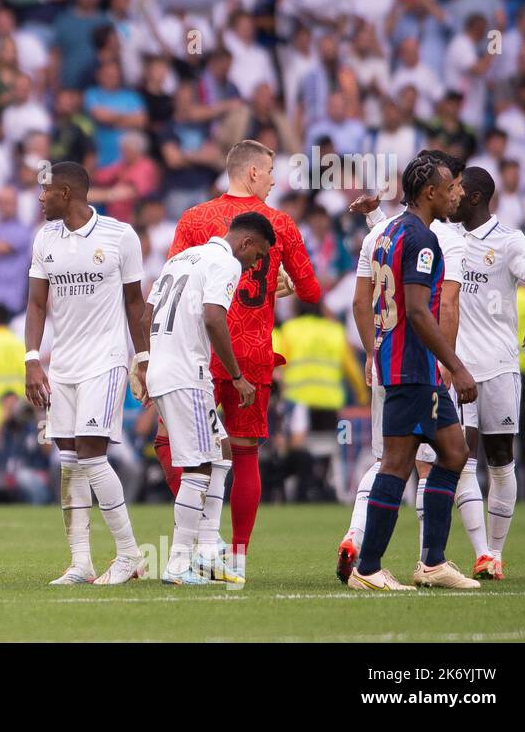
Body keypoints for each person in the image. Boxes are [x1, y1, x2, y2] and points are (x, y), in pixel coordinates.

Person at [159, 140, 322, 580]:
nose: (273, 180)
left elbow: (175, 280)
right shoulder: (280, 224)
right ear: (252, 173)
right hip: (250, 355)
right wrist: (279, 281)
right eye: (270, 171)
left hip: (200, 352)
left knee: (173, 445)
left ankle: (192, 545)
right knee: (244, 454)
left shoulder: (195, 219)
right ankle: (236, 556)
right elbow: (312, 292)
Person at [349, 155, 480, 592]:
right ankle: (367, 569)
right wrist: (458, 368)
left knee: (454, 452)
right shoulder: (423, 239)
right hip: (411, 368)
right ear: (429, 193)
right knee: (397, 463)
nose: (454, 194)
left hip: (406, 364)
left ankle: (433, 562)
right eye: (449, 188)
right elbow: (421, 313)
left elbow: (369, 302)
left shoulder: (389, 232)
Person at [23, 161, 149, 586]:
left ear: (67, 193)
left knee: (92, 453)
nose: (40, 198)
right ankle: (81, 563)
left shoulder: (120, 236)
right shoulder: (45, 239)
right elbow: (37, 304)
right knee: (70, 461)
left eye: (46, 191)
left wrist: (143, 357)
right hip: (64, 365)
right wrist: (32, 358)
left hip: (106, 360)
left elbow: (136, 302)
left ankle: (130, 554)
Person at [145, 212, 272, 584]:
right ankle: (179, 565)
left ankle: (206, 549)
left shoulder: (181, 258)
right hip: (188, 374)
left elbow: (147, 314)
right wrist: (237, 377)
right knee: (199, 467)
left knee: (221, 449)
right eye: (259, 255)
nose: (256, 264)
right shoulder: (226, 263)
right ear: (246, 243)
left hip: (161, 368)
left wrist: (146, 363)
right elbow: (214, 317)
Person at [450, 167, 525, 579]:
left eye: (457, 190)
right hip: (459, 369)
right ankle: (481, 553)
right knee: (460, 458)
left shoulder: (508, 241)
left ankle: (496, 552)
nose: (450, 196)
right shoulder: (445, 234)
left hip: (502, 366)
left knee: (501, 461)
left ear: (475, 197)